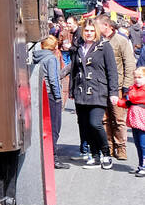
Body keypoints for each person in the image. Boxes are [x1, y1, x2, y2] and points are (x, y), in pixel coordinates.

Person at [69, 19, 119, 167]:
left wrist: (114, 92)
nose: (89, 33)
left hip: (98, 91)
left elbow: (112, 71)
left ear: (96, 32)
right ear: (82, 32)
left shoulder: (104, 47)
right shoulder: (79, 47)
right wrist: (72, 90)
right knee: (85, 126)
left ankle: (106, 153)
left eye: (91, 31)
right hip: (81, 92)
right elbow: (74, 70)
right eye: (86, 30)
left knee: (95, 123)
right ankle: (95, 156)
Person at [97, 13, 135, 161]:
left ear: (106, 26)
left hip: (117, 86)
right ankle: (109, 147)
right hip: (101, 87)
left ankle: (121, 148)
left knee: (118, 119)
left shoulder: (121, 41)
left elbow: (130, 63)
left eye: (97, 25)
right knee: (104, 120)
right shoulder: (98, 41)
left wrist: (127, 85)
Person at [32, 35, 69, 168]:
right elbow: (53, 79)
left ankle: (46, 156)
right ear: (53, 47)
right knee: (54, 127)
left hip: (42, 94)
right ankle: (53, 157)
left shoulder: (37, 57)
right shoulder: (51, 58)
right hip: (52, 96)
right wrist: (58, 97)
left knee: (44, 127)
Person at [122, 66, 145, 177]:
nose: (137, 79)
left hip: (142, 119)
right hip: (134, 119)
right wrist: (119, 102)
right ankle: (141, 165)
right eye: (135, 77)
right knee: (137, 144)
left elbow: (135, 98)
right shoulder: (132, 88)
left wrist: (130, 100)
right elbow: (126, 101)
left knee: (142, 144)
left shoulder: (140, 90)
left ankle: (144, 166)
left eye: (140, 77)